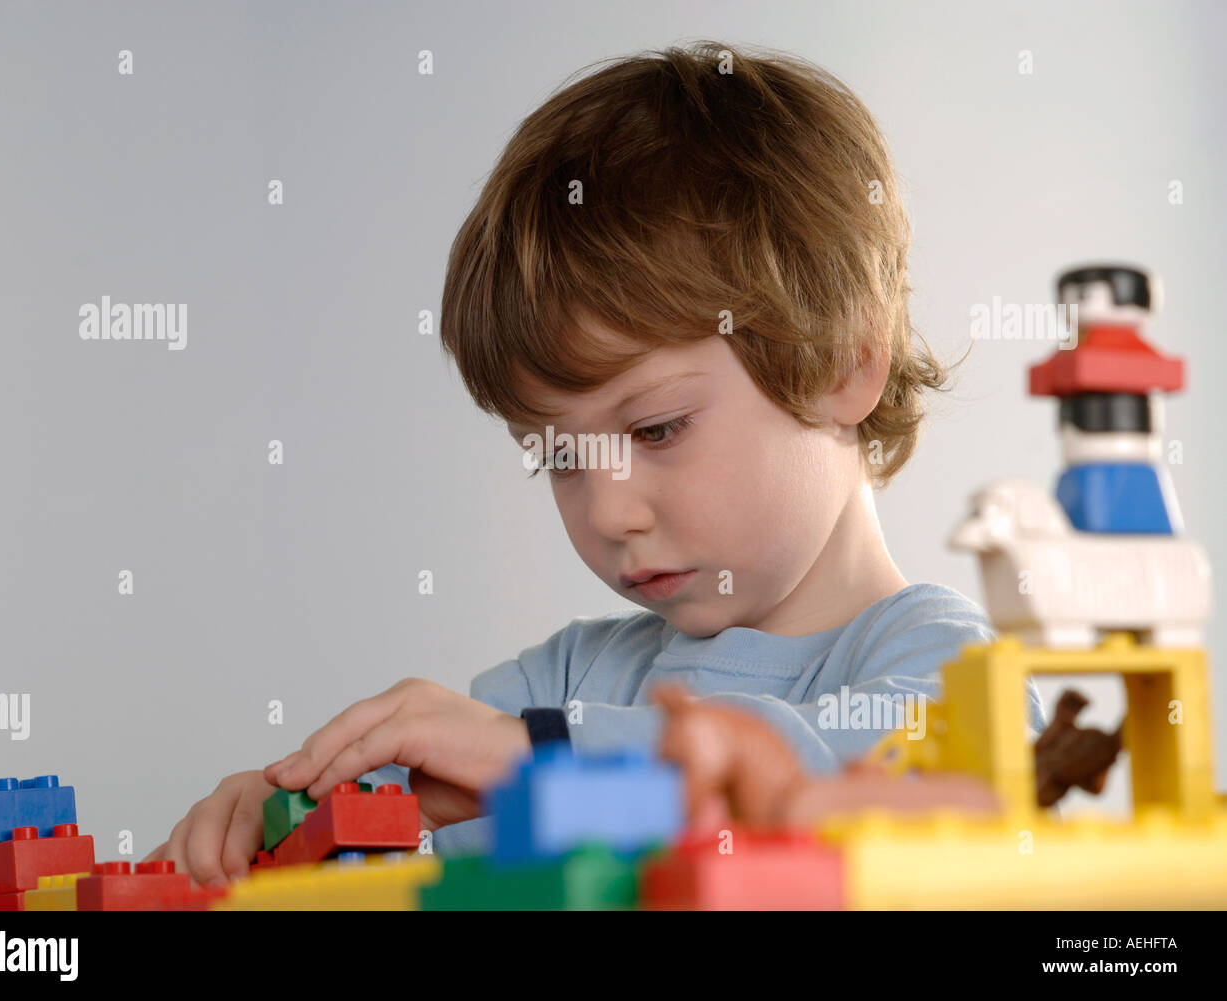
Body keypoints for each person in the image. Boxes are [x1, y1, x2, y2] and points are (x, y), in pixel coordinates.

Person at [144, 40, 1045, 885]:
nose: (609, 511)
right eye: (561, 456)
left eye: (655, 429)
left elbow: (879, 791)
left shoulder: (944, 668)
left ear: (847, 362)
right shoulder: (564, 683)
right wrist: (302, 816)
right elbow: (421, 830)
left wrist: (547, 759)